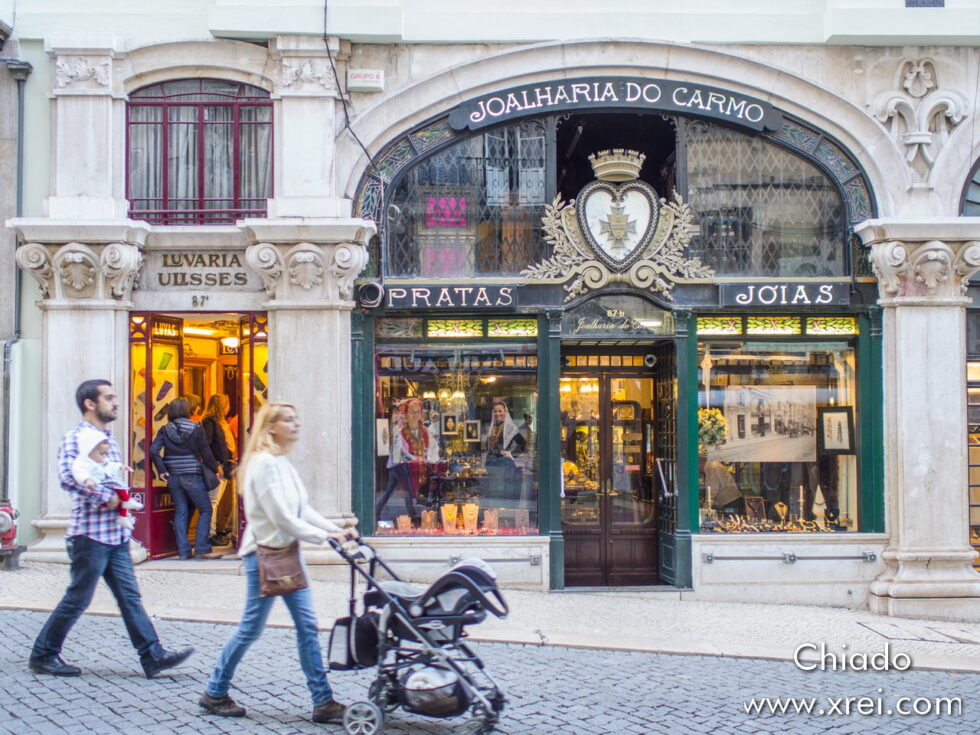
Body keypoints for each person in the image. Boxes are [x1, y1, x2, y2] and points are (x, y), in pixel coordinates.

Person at [199, 401, 356, 722]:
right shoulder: (263, 464)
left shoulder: (281, 461)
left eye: (296, 418)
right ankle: (214, 691)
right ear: (271, 427)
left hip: (285, 553)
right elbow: (282, 517)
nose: (296, 424)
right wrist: (327, 537)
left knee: (307, 626)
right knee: (251, 628)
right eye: (289, 420)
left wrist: (336, 530)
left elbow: (302, 509)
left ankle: (323, 701)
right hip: (265, 556)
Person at [29, 379, 194, 678]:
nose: (116, 402)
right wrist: (108, 499)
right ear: (90, 404)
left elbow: (113, 478)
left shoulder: (110, 440)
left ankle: (152, 655)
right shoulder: (76, 438)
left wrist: (122, 503)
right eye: (109, 397)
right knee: (78, 598)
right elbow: (69, 478)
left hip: (115, 535)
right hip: (89, 535)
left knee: (129, 596)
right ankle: (43, 654)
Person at [149, 398, 220, 560]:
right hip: (192, 475)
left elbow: (153, 451)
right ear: (186, 410)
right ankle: (201, 548)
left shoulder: (165, 429)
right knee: (205, 509)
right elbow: (206, 452)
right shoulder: (196, 427)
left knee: (181, 511)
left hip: (173, 476)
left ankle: (183, 551)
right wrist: (215, 469)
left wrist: (162, 470)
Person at [71, 427, 142, 530]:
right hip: (98, 486)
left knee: (121, 488)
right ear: (89, 452)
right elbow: (79, 472)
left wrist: (120, 467)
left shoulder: (101, 460)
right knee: (119, 490)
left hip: (105, 483)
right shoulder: (83, 462)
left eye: (105, 454)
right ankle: (125, 505)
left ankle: (123, 515)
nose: (104, 456)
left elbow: (110, 465)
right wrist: (87, 480)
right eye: (101, 454)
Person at [201, 393, 236, 542]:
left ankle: (214, 532)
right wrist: (215, 466)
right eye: (226, 405)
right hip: (216, 467)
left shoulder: (218, 422)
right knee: (212, 502)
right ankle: (210, 534)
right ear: (222, 406)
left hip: (223, 465)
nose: (228, 408)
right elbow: (205, 446)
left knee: (215, 501)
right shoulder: (210, 422)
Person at [483, 401, 527, 503]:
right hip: (491, 464)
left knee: (502, 492)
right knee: (493, 492)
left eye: (500, 411)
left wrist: (511, 454)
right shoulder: (493, 426)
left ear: (505, 412)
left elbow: (523, 443)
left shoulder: (510, 427)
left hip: (503, 464)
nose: (497, 413)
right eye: (495, 411)